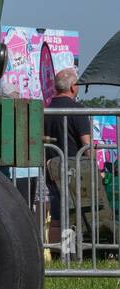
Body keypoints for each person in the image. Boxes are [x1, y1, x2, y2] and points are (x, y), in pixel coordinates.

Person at [44, 67, 98, 246]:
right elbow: (87, 143)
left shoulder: (45, 110)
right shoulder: (77, 110)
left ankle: (55, 254)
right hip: (75, 171)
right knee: (75, 213)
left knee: (57, 215)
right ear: (73, 87)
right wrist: (96, 168)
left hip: (51, 169)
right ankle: (70, 254)